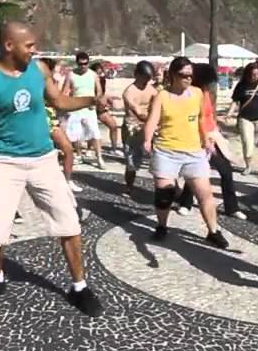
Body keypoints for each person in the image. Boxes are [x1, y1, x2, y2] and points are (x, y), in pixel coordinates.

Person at [0, 22, 103, 315]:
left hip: (43, 160)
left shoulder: (39, 70)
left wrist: (92, 100)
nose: (34, 50)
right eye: (29, 45)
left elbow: (60, 100)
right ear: (9, 46)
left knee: (69, 224)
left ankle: (79, 286)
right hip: (2, 161)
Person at [141, 56, 229, 247]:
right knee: (164, 194)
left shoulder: (197, 93)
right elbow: (152, 120)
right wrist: (147, 140)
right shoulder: (162, 96)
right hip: (167, 151)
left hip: (194, 152)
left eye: (191, 75)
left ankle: (213, 231)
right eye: (183, 75)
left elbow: (201, 119)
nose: (188, 79)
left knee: (205, 194)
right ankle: (162, 226)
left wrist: (207, 139)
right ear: (173, 75)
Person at [174, 63, 245, 220]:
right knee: (195, 172)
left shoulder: (206, 93)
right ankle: (186, 203)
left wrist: (216, 131)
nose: (211, 84)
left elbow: (209, 115)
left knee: (226, 171)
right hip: (197, 138)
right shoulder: (189, 95)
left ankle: (232, 207)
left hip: (212, 135)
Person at [41, 58, 83, 194]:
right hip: (39, 121)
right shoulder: (37, 82)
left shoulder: (52, 81)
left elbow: (60, 99)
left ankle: (67, 180)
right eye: (56, 69)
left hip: (51, 120)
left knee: (68, 150)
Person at [227, 62, 258, 177]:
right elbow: (235, 101)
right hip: (245, 119)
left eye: (256, 74)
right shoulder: (241, 85)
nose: (254, 76)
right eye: (252, 74)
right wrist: (229, 113)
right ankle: (248, 166)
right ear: (247, 74)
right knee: (247, 144)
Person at [120, 61, 158, 197]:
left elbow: (159, 102)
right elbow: (138, 113)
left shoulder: (151, 89)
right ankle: (129, 187)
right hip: (132, 127)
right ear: (137, 75)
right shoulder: (129, 92)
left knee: (158, 157)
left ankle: (163, 186)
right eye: (144, 77)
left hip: (149, 126)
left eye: (149, 78)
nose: (147, 81)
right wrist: (153, 119)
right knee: (131, 162)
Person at [66, 52, 105, 169]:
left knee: (94, 132)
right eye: (81, 64)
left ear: (88, 63)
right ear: (77, 63)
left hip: (89, 107)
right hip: (76, 106)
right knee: (75, 133)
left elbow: (99, 91)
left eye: (85, 64)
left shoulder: (93, 75)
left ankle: (99, 157)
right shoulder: (71, 75)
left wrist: (95, 100)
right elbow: (66, 90)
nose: (83, 66)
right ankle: (78, 155)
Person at [90, 61, 123, 151]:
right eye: (98, 73)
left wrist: (108, 98)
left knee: (113, 126)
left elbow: (102, 94)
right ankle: (89, 149)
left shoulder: (102, 80)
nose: (100, 75)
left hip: (100, 110)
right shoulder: (88, 81)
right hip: (90, 108)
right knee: (91, 129)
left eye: (101, 73)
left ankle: (114, 149)